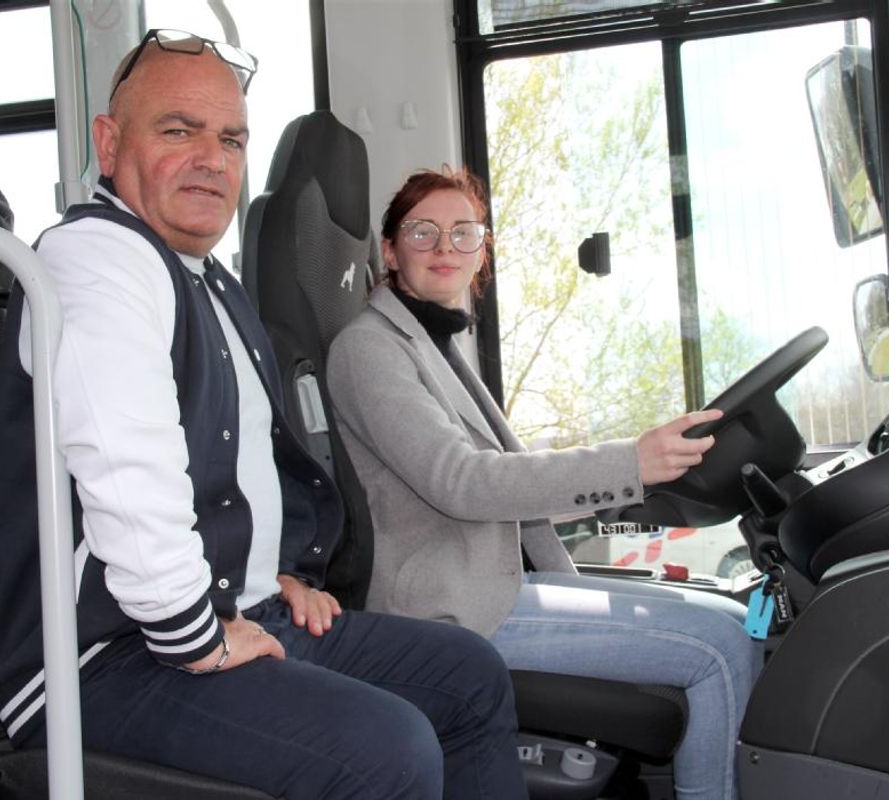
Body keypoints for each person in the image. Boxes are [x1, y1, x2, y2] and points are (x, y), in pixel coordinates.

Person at [0, 33, 528, 800]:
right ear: (108, 144)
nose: (212, 157)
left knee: (469, 675)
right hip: (104, 655)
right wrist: (197, 635)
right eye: (178, 130)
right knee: (386, 749)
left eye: (230, 138)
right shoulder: (96, 259)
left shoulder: (211, 283)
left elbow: (235, 472)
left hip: (224, 603)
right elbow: (127, 470)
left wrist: (274, 573)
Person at [326, 166, 761, 800]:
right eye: (423, 232)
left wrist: (589, 561)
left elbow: (512, 488)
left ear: (481, 250)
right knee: (722, 645)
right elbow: (465, 483)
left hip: (500, 579)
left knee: (732, 616)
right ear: (390, 250)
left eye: (462, 232)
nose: (445, 248)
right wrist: (627, 465)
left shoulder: (433, 339)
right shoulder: (370, 348)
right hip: (453, 605)